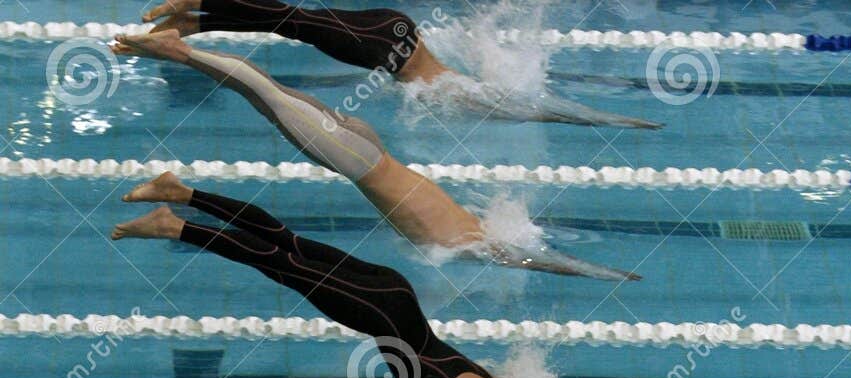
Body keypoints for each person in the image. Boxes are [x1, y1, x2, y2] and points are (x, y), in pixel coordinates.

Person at [108, 192, 662, 378]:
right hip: (377, 312)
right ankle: (174, 223)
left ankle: (184, 196)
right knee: (280, 264)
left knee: (289, 247)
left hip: (396, 296)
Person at [110, 31, 641, 276]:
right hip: (358, 160)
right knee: (265, 94)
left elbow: (528, 254)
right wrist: (604, 275)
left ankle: (174, 188)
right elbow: (535, 260)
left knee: (268, 96)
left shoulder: (467, 229)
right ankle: (179, 49)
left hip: (364, 150)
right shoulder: (467, 240)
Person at [139, 0, 662, 128]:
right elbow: (546, 108)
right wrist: (613, 121)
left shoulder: (470, 92)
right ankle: (193, 16)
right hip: (387, 52)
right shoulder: (483, 100)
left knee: (293, 19)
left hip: (397, 31)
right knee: (291, 21)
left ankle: (193, 19)